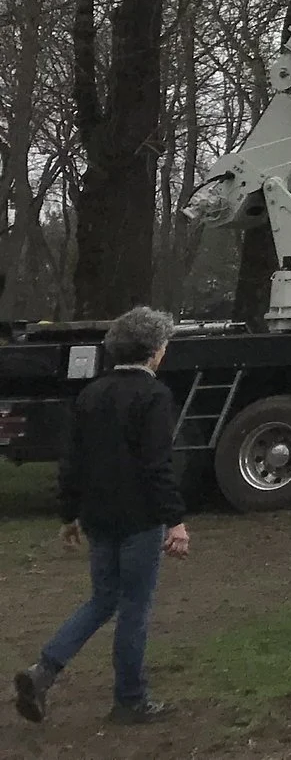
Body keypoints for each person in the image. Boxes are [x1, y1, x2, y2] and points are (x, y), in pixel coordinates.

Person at [13, 306, 191, 725]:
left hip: (98, 516)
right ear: (154, 351)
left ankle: (44, 671)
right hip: (139, 518)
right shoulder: (155, 397)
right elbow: (156, 465)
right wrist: (176, 519)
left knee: (102, 599)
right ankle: (130, 698)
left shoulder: (90, 394)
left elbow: (72, 460)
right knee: (134, 607)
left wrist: (68, 513)